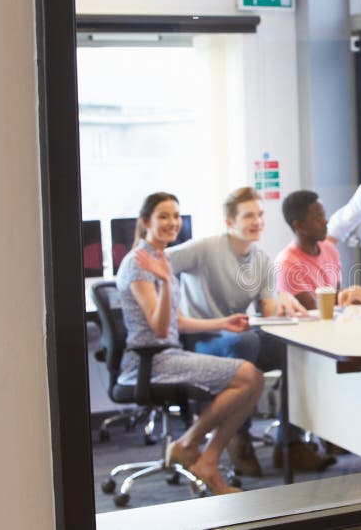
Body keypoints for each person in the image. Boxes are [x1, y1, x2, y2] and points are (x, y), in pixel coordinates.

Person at [166, 187, 336, 473]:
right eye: (248, 216)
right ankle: (238, 435)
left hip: (238, 339)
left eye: (259, 215)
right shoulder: (206, 248)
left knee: (293, 346)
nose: (257, 222)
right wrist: (171, 308)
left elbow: (268, 313)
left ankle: (290, 442)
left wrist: (285, 302)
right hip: (202, 339)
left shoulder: (261, 260)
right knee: (246, 343)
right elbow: (155, 265)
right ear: (230, 222)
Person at [116, 192, 262, 496]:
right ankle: (191, 446)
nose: (172, 223)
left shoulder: (159, 259)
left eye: (176, 216)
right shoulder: (138, 264)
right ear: (146, 222)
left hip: (168, 354)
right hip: (151, 361)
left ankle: (202, 456)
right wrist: (167, 282)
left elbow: (177, 322)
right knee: (249, 376)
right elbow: (158, 328)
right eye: (163, 216)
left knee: (252, 379)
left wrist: (223, 323)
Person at [275, 190, 341, 310]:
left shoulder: (330, 249)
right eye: (318, 217)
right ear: (299, 226)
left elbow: (337, 299)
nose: (325, 221)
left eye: (324, 215)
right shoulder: (286, 264)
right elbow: (314, 309)